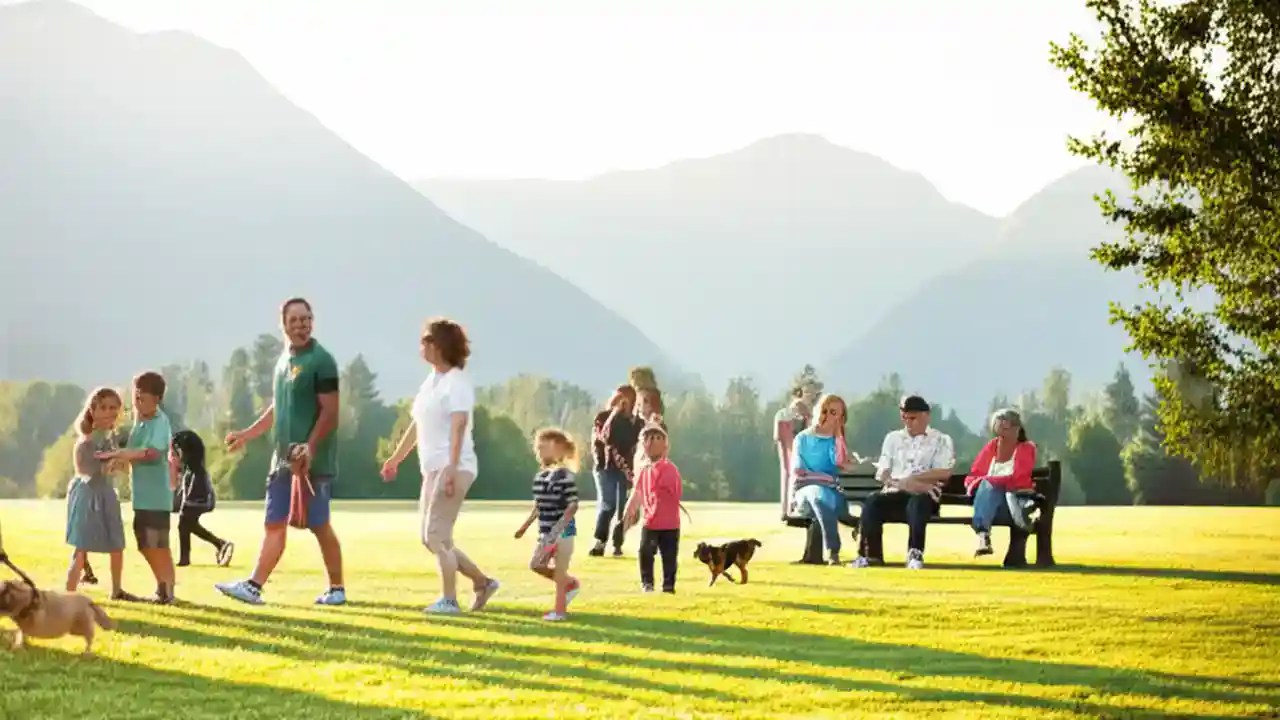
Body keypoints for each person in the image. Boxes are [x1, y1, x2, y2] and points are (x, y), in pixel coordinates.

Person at [216, 297, 345, 606]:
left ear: (312, 322)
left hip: (312, 462)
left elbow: (330, 412)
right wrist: (248, 434)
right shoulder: (282, 361)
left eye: (305, 319)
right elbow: (278, 408)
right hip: (282, 460)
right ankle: (254, 586)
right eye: (294, 320)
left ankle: (337, 589)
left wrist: (310, 447)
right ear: (283, 325)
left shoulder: (322, 360)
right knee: (274, 522)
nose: (300, 325)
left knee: (319, 524)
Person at [381, 317, 500, 615]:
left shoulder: (457, 382)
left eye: (426, 340)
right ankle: (482, 583)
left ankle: (449, 600)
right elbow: (416, 426)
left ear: (439, 345)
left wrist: (451, 467)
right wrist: (396, 458)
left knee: (435, 537)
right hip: (432, 467)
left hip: (454, 466)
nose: (421, 345)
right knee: (434, 537)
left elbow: (458, 426)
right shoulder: (431, 382)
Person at [95, 372, 177, 603]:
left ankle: (166, 589)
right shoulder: (141, 422)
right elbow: (134, 454)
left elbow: (152, 452)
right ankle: (166, 587)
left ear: (157, 400)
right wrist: (117, 462)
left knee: (152, 543)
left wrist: (120, 453)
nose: (137, 403)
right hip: (143, 495)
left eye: (143, 399)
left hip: (155, 495)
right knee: (154, 543)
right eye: (136, 398)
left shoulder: (159, 422)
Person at [852, 395, 955, 570]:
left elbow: (944, 472)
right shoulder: (892, 439)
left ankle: (915, 553)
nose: (908, 423)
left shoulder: (941, 440)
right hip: (895, 492)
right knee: (872, 502)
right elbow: (883, 472)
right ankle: (870, 555)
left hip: (925, 494)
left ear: (926, 416)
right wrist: (901, 484)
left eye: (913, 418)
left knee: (918, 502)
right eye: (904, 418)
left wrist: (914, 480)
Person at [64, 387, 140, 602]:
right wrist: (108, 466)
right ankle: (69, 595)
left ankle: (117, 590)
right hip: (89, 497)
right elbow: (86, 470)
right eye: (104, 407)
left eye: (114, 408)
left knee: (116, 545)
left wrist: (120, 463)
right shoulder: (86, 441)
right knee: (81, 549)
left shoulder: (110, 438)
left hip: (107, 494)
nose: (109, 412)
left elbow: (118, 465)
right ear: (93, 410)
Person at [514, 428, 582, 622]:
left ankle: (559, 611)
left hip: (564, 531)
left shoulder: (565, 477)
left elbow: (572, 505)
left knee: (559, 571)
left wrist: (558, 529)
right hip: (546, 532)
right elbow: (539, 506)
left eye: (543, 447)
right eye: (538, 448)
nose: (539, 452)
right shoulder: (540, 477)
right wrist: (525, 526)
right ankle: (571, 584)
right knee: (537, 564)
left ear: (558, 449)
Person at [790, 394, 859, 565]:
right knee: (816, 494)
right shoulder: (802, 438)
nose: (828, 416)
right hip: (804, 493)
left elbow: (838, 461)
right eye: (825, 411)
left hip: (832, 493)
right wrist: (823, 477)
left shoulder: (837, 441)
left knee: (823, 497)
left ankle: (832, 551)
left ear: (841, 418)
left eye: (834, 413)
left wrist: (837, 437)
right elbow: (799, 471)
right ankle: (833, 551)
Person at [964, 408, 1038, 556]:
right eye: (997, 430)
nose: (1001, 435)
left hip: (1013, 504)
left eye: (1005, 429)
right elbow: (973, 475)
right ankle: (983, 536)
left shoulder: (1026, 448)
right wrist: (981, 483)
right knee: (988, 486)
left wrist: (990, 481)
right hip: (988, 504)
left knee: (989, 484)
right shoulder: (992, 446)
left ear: (1017, 429)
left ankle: (983, 535)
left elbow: (1019, 478)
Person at [622, 424, 683, 593]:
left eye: (657, 438)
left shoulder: (669, 469)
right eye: (648, 439)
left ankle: (668, 585)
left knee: (669, 557)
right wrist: (628, 513)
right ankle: (647, 583)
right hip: (650, 522)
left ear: (665, 445)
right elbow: (637, 493)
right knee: (645, 553)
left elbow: (675, 492)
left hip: (669, 523)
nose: (651, 442)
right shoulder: (644, 470)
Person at [590, 386, 642, 558]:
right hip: (605, 467)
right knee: (608, 504)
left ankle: (617, 543)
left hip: (626, 470)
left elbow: (640, 444)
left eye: (628, 399)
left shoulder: (636, 423)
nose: (624, 402)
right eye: (620, 398)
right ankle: (600, 541)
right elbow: (606, 437)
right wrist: (615, 413)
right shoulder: (602, 418)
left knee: (624, 508)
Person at [170, 430, 234, 568]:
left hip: (198, 498)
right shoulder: (192, 467)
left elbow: (194, 488)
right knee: (187, 524)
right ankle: (218, 545)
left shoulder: (195, 471)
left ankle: (218, 544)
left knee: (185, 523)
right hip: (198, 497)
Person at [774, 387, 813, 514]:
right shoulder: (800, 414)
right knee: (790, 473)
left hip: (794, 443)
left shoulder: (783, 414)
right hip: (793, 444)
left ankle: (789, 508)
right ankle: (790, 508)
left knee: (789, 474)